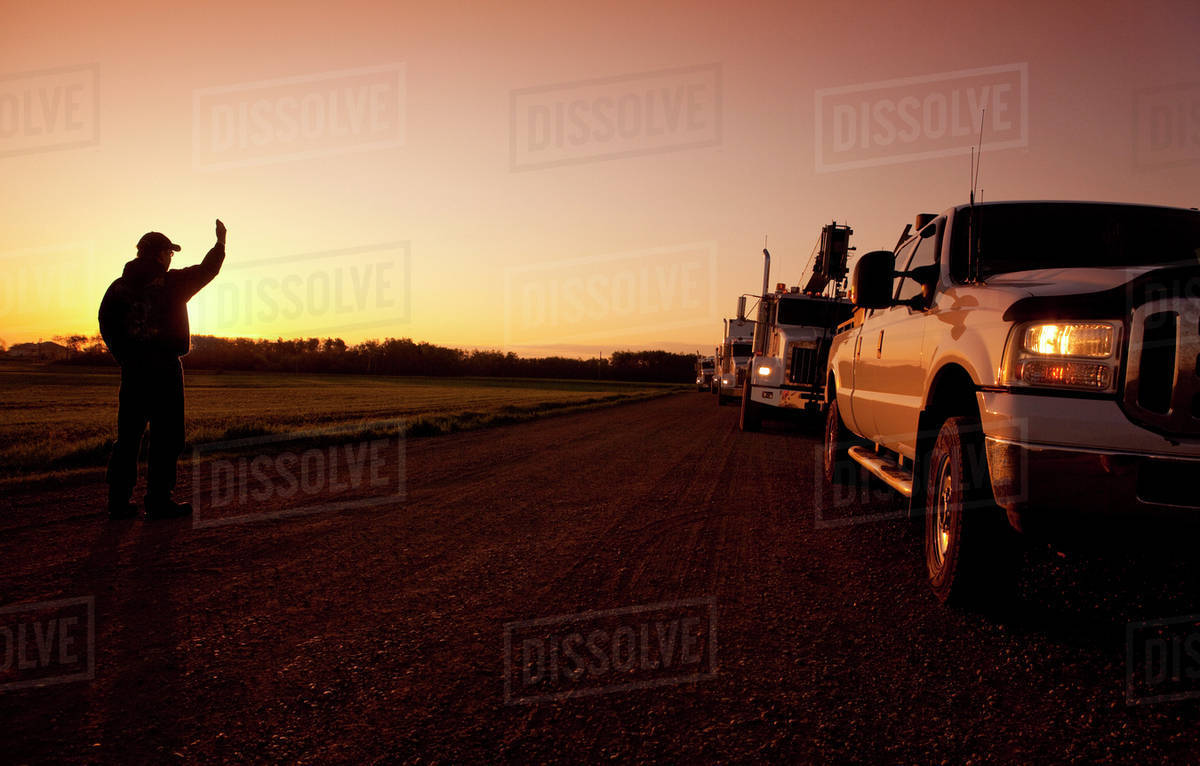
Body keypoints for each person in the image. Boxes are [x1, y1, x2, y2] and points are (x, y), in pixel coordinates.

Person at [98, 220, 227, 520]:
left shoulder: (117, 288)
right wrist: (220, 244)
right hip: (165, 369)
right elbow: (207, 270)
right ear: (158, 255)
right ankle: (158, 501)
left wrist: (124, 356)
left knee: (128, 435)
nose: (171, 258)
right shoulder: (171, 283)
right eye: (169, 252)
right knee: (167, 436)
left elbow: (106, 323)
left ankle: (118, 502)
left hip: (133, 370)